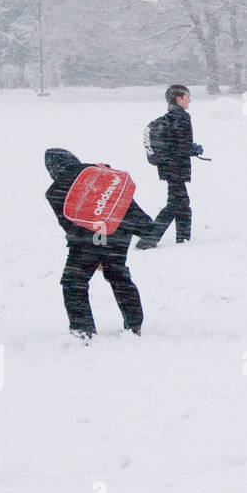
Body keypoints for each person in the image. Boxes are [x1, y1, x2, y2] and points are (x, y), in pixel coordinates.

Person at [44, 148, 156, 339]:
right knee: (119, 276)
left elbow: (68, 223)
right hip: (118, 231)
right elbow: (123, 201)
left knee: (74, 282)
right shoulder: (101, 172)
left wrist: (92, 250)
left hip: (88, 237)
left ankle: (83, 330)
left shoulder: (57, 188)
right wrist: (141, 226)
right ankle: (134, 325)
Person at [136, 85, 202, 248]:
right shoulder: (181, 117)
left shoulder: (170, 117)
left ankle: (183, 239)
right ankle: (149, 239)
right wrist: (191, 149)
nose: (190, 100)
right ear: (178, 99)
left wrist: (188, 148)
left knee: (182, 203)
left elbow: (174, 143)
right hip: (176, 167)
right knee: (175, 204)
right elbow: (179, 144)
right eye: (187, 97)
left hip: (168, 166)